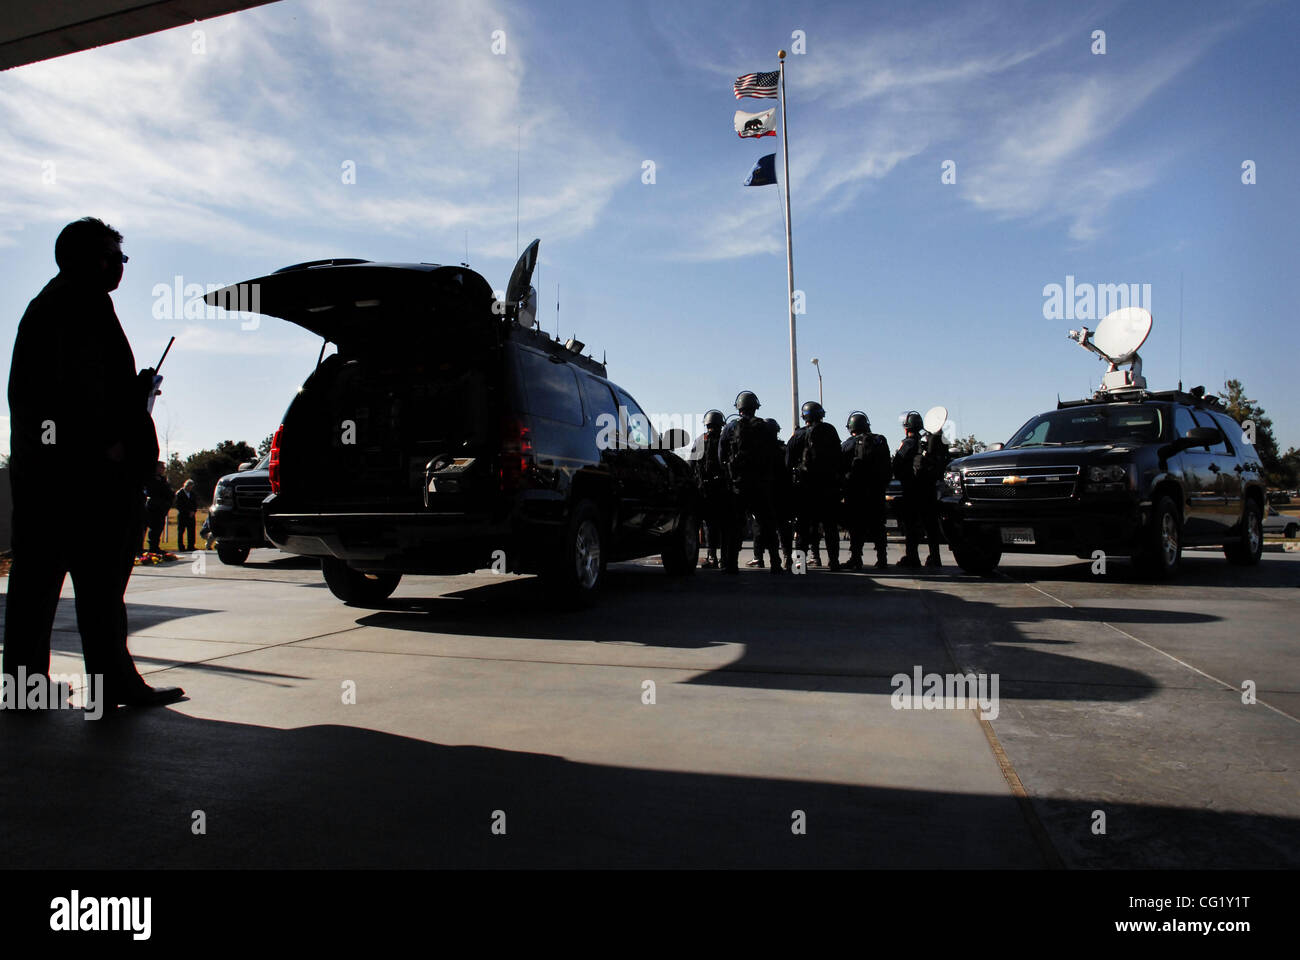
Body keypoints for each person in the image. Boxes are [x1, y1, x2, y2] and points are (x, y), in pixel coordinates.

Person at [3, 217, 184, 709]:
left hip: (48, 477)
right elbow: (66, 395)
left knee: (37, 589)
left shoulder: (57, 304)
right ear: (88, 258)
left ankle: (24, 690)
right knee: (100, 590)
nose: (120, 268)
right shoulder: (74, 306)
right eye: (114, 257)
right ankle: (112, 686)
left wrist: (133, 394)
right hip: (84, 481)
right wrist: (108, 446)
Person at [719, 391, 783, 574]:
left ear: (738, 408)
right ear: (755, 407)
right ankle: (776, 563)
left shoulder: (731, 427)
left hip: (739, 485)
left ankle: (731, 564)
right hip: (762, 484)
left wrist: (730, 473)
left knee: (736, 525)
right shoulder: (765, 427)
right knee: (768, 524)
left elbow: (721, 454)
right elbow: (775, 454)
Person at [789, 400, 842, 570]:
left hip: (805, 488)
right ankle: (834, 561)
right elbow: (839, 458)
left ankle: (800, 565)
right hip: (828, 488)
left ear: (804, 417)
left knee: (803, 528)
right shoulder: (830, 431)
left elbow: (788, 460)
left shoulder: (799, 434)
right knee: (830, 527)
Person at [893, 410, 947, 568]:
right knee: (930, 525)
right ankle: (935, 557)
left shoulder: (908, 442)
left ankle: (912, 557)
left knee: (911, 525)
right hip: (929, 489)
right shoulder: (928, 441)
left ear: (906, 427)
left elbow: (897, 464)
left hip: (912, 490)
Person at [841, 411, 892, 569]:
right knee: (878, 526)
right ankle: (882, 559)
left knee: (856, 527)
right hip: (877, 491)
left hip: (856, 492)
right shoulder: (880, 440)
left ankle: (856, 558)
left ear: (851, 427)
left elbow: (840, 465)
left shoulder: (849, 444)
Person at [690, 410, 729, 569]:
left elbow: (692, 465)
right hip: (721, 488)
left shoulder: (701, 440)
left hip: (703, 488)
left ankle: (711, 556)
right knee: (722, 524)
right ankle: (725, 558)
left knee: (702, 524)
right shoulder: (724, 440)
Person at [766, 418, 796, 571]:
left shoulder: (760, 451)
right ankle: (787, 556)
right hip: (784, 492)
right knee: (784, 527)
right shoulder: (783, 449)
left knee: (769, 527)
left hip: (766, 492)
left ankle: (774, 561)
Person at [143, 461, 174, 554]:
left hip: (162, 507)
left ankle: (155, 547)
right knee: (151, 527)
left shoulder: (163, 479)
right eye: (161, 468)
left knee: (159, 527)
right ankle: (144, 547)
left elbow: (169, 491)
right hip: (153, 506)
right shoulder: (150, 478)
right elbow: (152, 490)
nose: (163, 470)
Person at [175, 478, 197, 552]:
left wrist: (193, 511)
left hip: (191, 515)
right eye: (189, 486)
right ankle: (181, 546)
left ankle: (191, 546)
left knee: (191, 531)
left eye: (191, 486)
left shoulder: (192, 494)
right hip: (182, 515)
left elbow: (195, 504)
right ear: (186, 485)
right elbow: (179, 505)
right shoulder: (179, 493)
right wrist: (188, 512)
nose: (190, 488)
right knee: (181, 531)